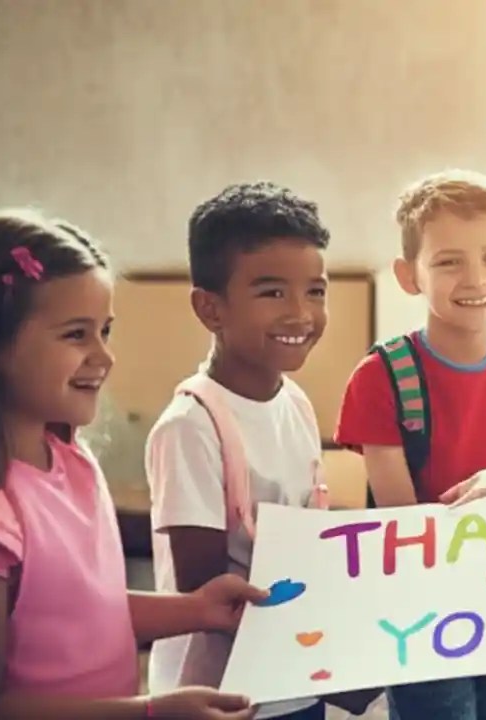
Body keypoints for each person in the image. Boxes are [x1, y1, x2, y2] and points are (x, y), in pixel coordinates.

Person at [0, 210, 264, 720]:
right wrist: (150, 712)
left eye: (104, 331)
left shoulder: (72, 459)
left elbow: (84, 610)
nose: (103, 357)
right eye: (75, 335)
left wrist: (197, 609)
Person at [334, 170, 486, 719]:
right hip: (422, 616)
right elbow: (399, 521)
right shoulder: (379, 378)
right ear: (408, 275)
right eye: (448, 261)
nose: (476, 278)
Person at [147, 183, 376, 719]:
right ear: (210, 308)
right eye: (272, 293)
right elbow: (207, 595)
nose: (301, 314)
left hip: (295, 681)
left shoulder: (293, 402)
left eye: (315, 291)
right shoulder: (190, 426)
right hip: (222, 696)